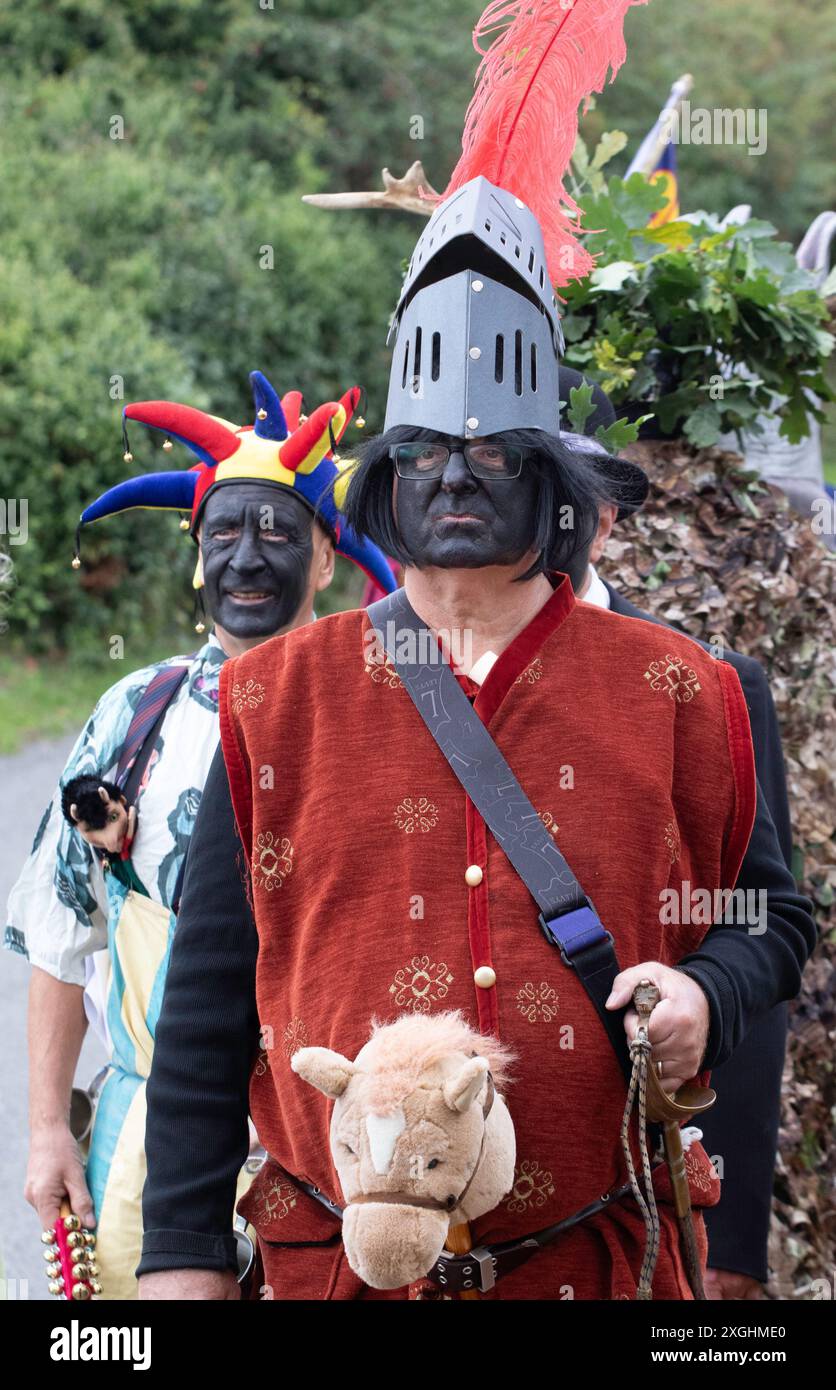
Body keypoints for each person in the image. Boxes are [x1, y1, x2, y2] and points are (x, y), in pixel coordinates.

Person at [137, 179, 815, 1301]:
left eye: (494, 453)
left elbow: (767, 918)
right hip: (337, 1271)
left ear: (552, 478)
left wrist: (707, 993)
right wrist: (178, 1260)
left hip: (601, 1264)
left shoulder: (684, 691)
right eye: (422, 455)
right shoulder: (274, 698)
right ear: (383, 484)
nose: (454, 477)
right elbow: (208, 1001)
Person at [5, 369, 394, 1299]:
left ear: (326, 558)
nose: (246, 559)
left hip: (334, 1152)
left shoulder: (381, 711)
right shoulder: (133, 713)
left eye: (277, 533)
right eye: (223, 534)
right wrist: (50, 1129)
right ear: (196, 554)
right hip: (143, 1154)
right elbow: (61, 936)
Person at [561, 377, 795, 1298]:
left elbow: (754, 924)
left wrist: (730, 1235)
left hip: (652, 1175)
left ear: (605, 521)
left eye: (565, 497)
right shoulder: (423, 672)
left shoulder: (705, 684)